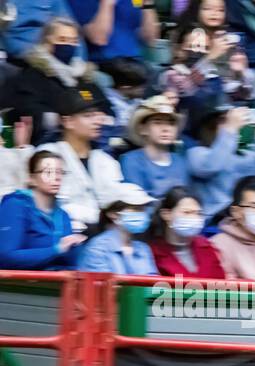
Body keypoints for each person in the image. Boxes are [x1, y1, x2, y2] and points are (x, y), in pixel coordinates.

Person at [1, 18, 103, 146]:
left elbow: (105, 107)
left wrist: (99, 117)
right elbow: (29, 110)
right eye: (62, 40)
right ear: (47, 42)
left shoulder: (83, 77)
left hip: (90, 144)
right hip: (47, 144)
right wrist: (60, 120)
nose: (68, 45)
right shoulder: (31, 76)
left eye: (73, 41)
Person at [188, 105, 255, 223]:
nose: (235, 122)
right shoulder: (196, 153)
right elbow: (210, 167)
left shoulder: (248, 155)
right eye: (225, 120)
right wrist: (229, 130)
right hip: (215, 220)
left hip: (249, 217)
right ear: (209, 126)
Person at [48, 90, 122, 233]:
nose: (97, 121)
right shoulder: (48, 155)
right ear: (67, 121)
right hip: (62, 232)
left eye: (98, 115)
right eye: (88, 116)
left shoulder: (105, 160)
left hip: (104, 233)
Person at [0, 150, 85, 269]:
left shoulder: (63, 215)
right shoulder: (15, 205)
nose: (56, 178)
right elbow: (5, 257)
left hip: (54, 284)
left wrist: (76, 247)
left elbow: (69, 262)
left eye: (59, 172)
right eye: (48, 172)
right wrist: (56, 249)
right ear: (32, 179)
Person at [76, 181, 158, 275]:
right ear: (113, 214)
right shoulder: (98, 249)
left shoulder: (143, 249)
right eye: (135, 209)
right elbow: (101, 287)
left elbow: (151, 285)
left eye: (142, 209)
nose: (141, 214)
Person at [146, 186, 228, 279]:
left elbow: (221, 283)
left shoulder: (207, 247)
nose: (194, 218)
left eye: (198, 213)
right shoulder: (152, 252)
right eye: (187, 212)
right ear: (166, 214)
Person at [120, 98, 192, 200]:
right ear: (142, 129)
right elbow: (136, 203)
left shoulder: (180, 162)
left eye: (171, 123)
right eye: (157, 122)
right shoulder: (131, 161)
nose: (166, 129)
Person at [67, 0, 159, 67]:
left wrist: (148, 5)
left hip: (135, 62)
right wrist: (107, 4)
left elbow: (150, 39)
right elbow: (98, 38)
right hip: (104, 64)